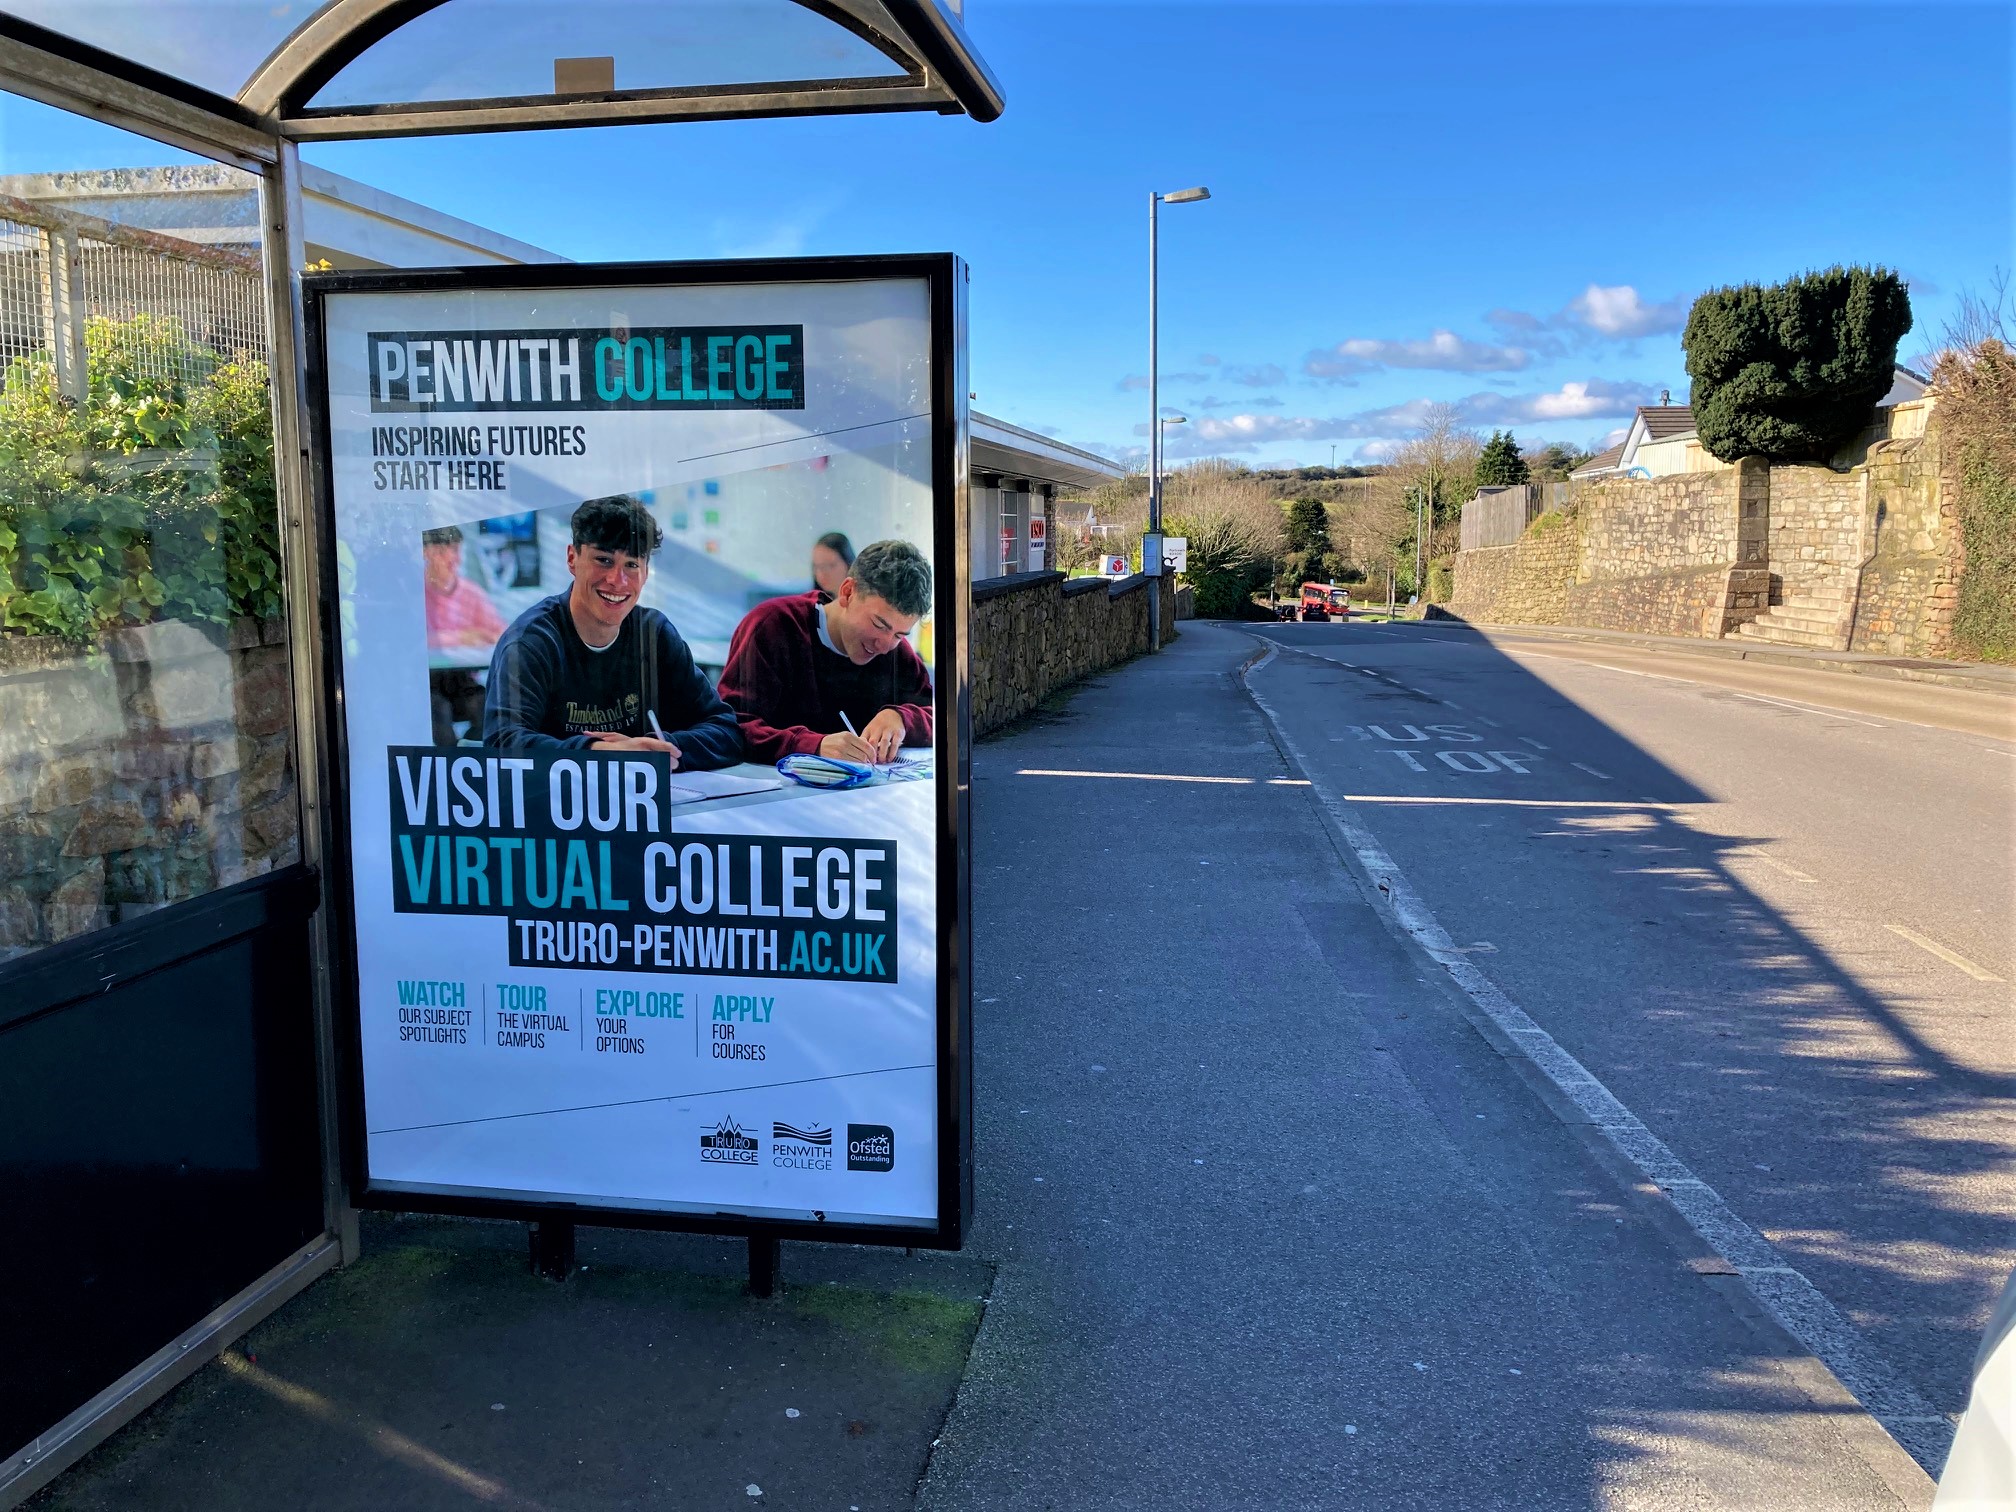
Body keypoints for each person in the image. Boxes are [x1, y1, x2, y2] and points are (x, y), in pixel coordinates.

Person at [481, 494, 742, 768]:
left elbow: (725, 731)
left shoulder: (654, 634)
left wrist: (656, 748)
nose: (618, 581)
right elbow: (502, 742)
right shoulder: (532, 641)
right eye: (604, 560)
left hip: (649, 803)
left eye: (631, 565)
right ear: (572, 558)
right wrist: (601, 752)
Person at [718, 538, 933, 766]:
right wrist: (814, 746)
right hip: (774, 794)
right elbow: (732, 726)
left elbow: (940, 716)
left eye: (901, 634)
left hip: (864, 794)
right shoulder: (772, 627)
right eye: (879, 625)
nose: (885, 645)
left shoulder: (896, 652)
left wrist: (901, 718)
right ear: (848, 592)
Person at [810, 531, 854, 601]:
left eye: (831, 565)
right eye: (817, 566)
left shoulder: (865, 602)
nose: (822, 573)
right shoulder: (810, 605)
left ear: (848, 563)